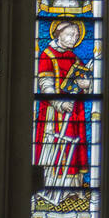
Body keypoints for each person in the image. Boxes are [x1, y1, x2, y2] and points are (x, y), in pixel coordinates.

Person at [35, 18, 92, 204]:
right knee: (55, 148)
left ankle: (73, 187)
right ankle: (52, 186)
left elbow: (82, 80)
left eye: (76, 36)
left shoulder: (75, 58)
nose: (74, 39)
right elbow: (45, 85)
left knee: (74, 149)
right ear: (58, 34)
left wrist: (86, 85)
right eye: (70, 34)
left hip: (74, 111)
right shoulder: (47, 55)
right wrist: (60, 103)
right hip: (54, 113)